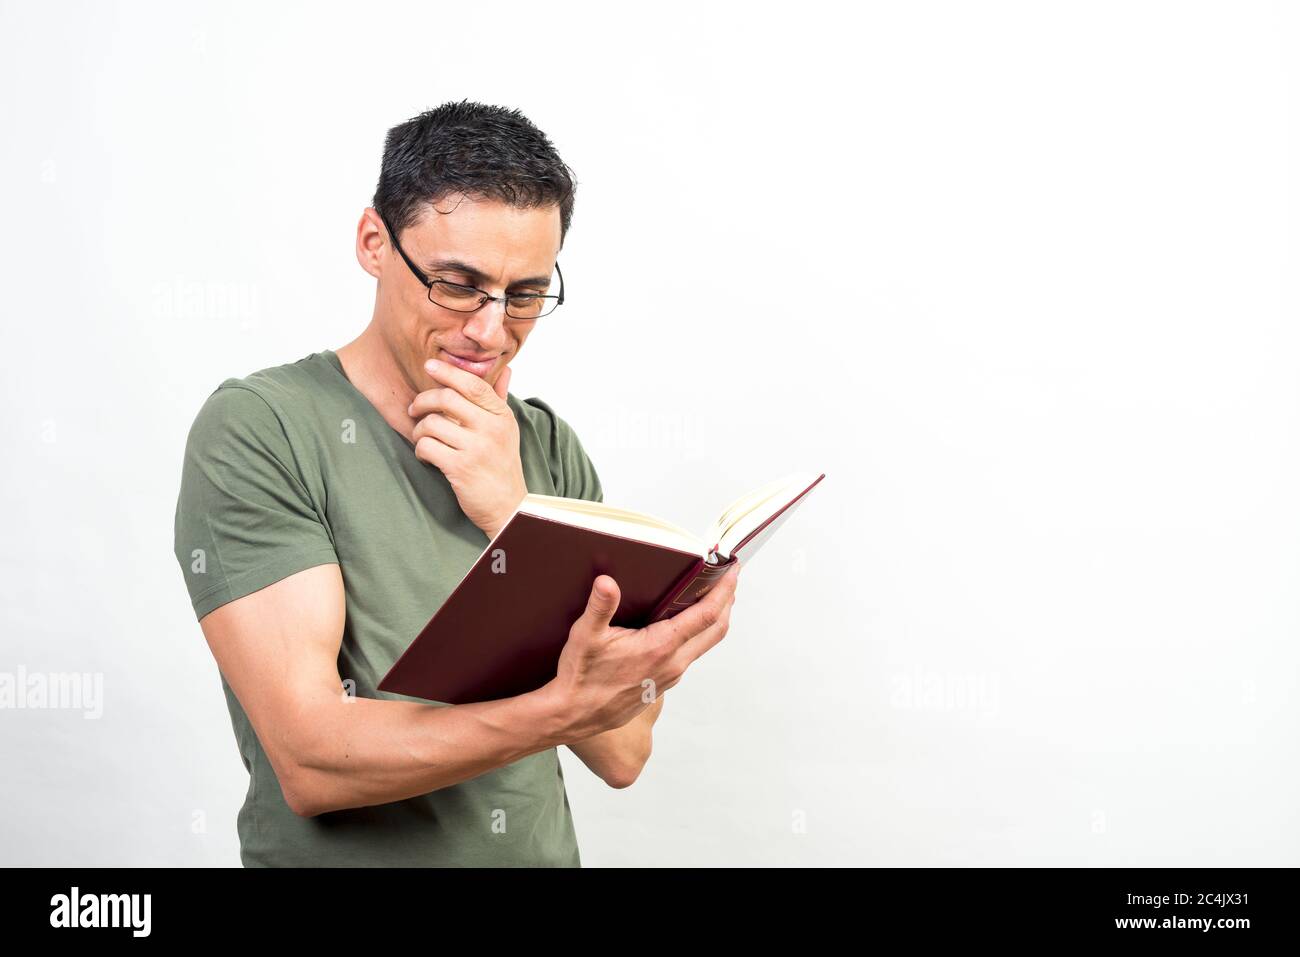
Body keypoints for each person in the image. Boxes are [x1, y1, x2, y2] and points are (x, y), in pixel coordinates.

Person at [172, 99, 739, 867]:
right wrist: (557, 708)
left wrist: (515, 513)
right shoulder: (263, 429)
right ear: (375, 243)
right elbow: (310, 758)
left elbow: (622, 750)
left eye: (526, 294)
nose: (490, 329)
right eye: (458, 284)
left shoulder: (544, 447)